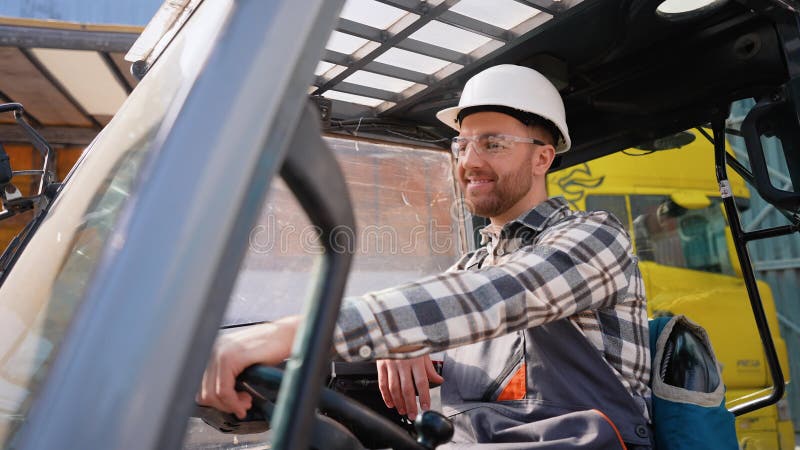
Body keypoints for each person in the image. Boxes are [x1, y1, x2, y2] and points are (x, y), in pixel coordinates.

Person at [197, 64, 652, 449]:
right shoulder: (471, 266)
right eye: (462, 144)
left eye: (491, 144)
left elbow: (494, 296)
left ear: (542, 158)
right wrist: (398, 340)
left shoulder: (595, 238)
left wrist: (288, 335)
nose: (469, 161)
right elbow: (438, 302)